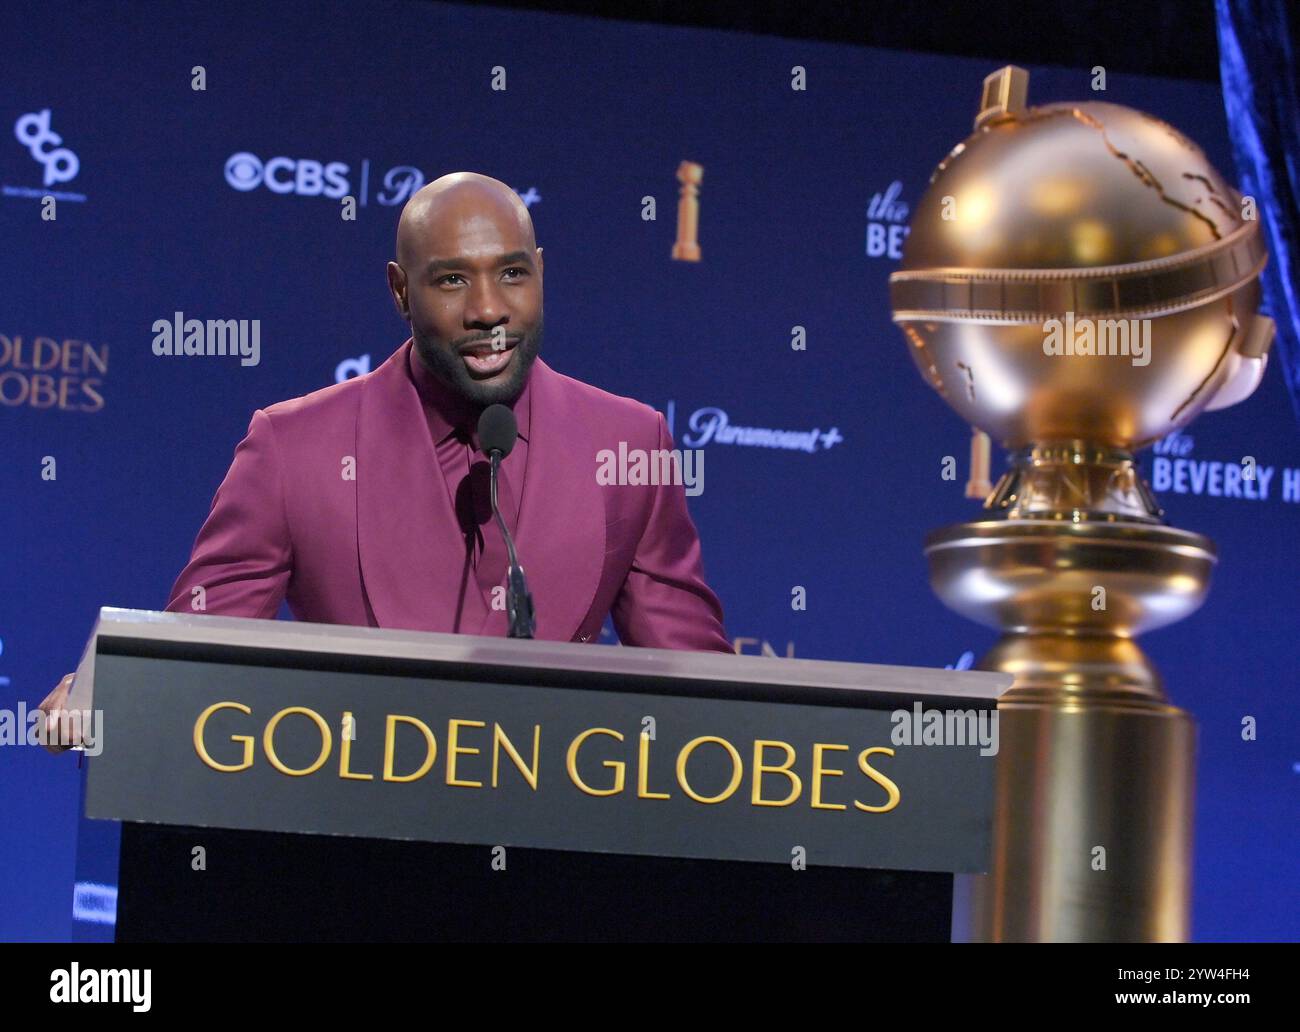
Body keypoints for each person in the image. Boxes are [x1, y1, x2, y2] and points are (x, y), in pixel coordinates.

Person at [37, 171, 730, 749]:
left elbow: (701, 694)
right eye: (453, 281)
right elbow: (197, 662)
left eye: (512, 274)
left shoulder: (630, 445)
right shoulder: (293, 449)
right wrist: (116, 697)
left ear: (541, 273)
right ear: (401, 291)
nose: (490, 310)